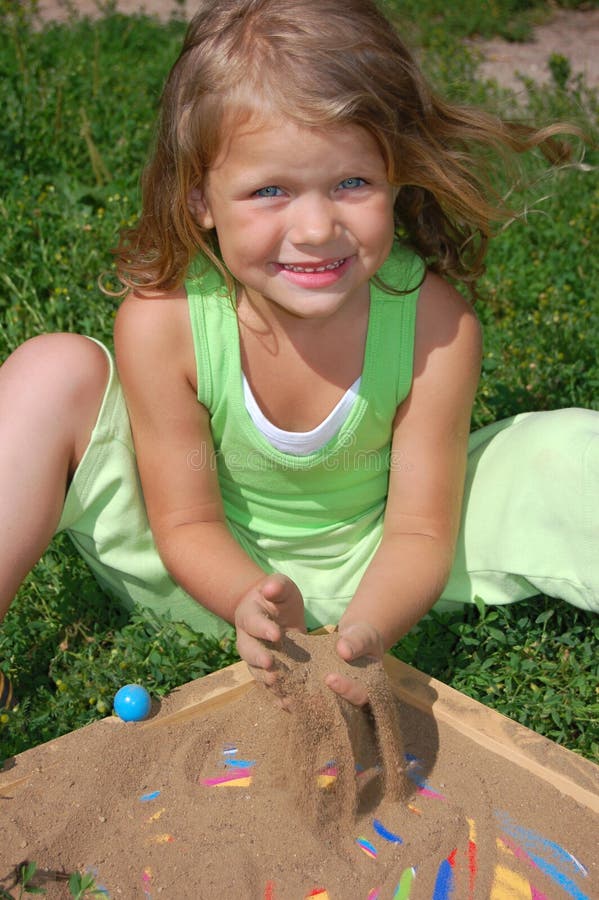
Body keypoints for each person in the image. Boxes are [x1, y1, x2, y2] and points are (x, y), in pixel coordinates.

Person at [0, 0, 596, 708]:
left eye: (351, 182)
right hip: (198, 578)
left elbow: (418, 527)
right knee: (50, 370)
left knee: (570, 450)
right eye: (269, 190)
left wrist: (365, 632)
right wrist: (246, 600)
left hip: (388, 571)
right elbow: (184, 521)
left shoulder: (435, 324)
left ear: (395, 177)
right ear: (201, 200)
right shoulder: (165, 324)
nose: (315, 227)